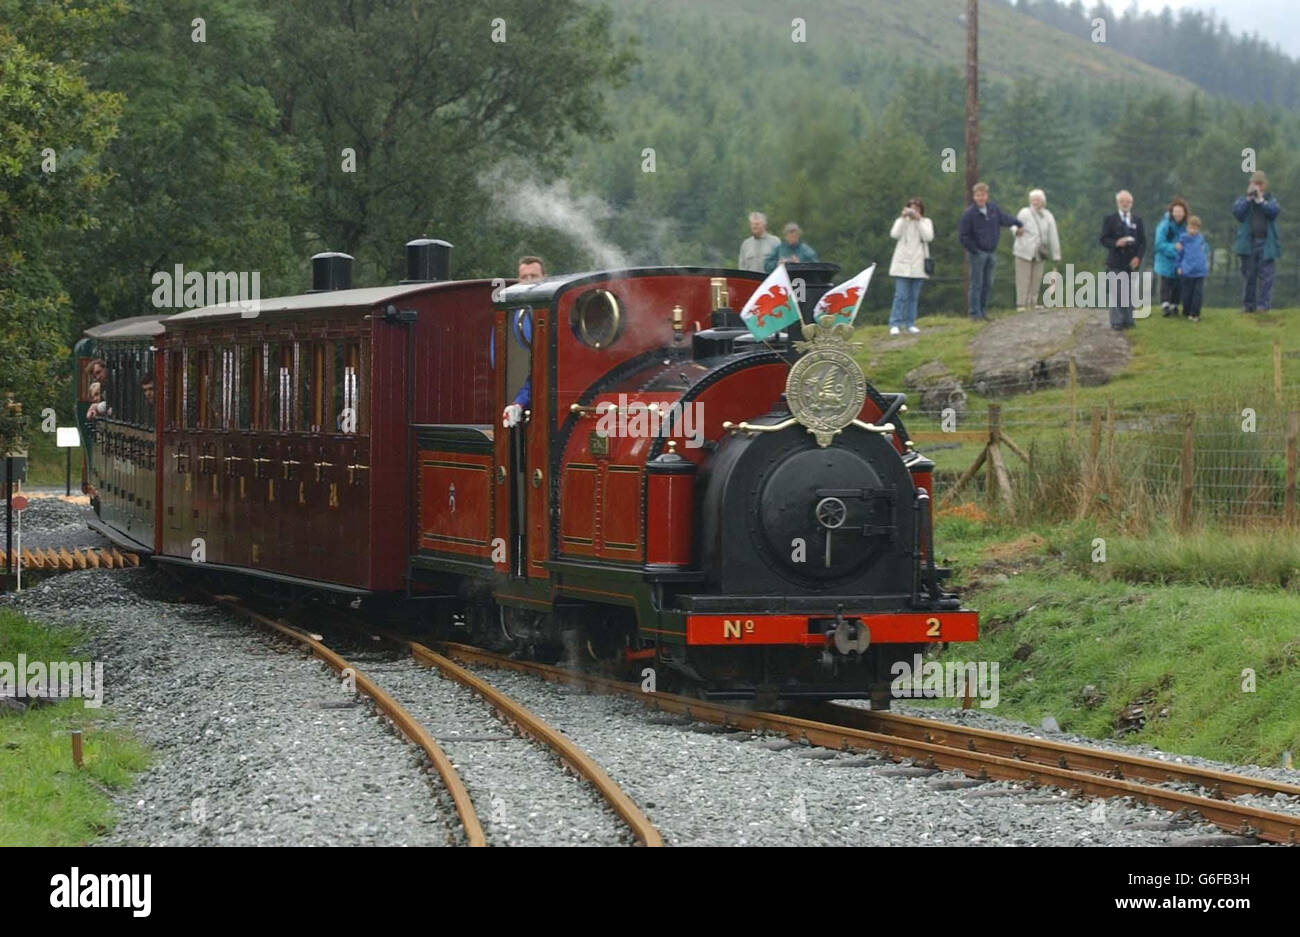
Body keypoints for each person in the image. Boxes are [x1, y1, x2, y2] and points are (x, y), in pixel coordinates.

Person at [957, 182, 1025, 321]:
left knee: (988, 283)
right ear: (974, 197)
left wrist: (1018, 223)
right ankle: (974, 313)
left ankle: (983, 311)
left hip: (991, 252)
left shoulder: (993, 209)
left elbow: (1004, 219)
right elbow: (963, 236)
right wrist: (974, 250)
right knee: (976, 284)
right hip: (978, 253)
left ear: (987, 196)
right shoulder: (969, 214)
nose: (980, 198)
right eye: (978, 195)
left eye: (983, 195)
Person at [501, 256, 546, 428]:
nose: (528, 282)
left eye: (534, 276)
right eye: (524, 277)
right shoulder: (510, 316)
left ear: (544, 277)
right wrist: (517, 403)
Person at [1232, 171, 1281, 313]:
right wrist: (1249, 199)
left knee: (1266, 276)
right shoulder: (1243, 201)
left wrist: (1260, 200)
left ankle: (1263, 305)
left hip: (1266, 243)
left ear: (1264, 185)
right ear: (1250, 184)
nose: (1256, 187)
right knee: (1249, 274)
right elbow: (1237, 213)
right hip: (1248, 243)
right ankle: (1248, 305)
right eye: (1254, 184)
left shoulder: (1270, 200)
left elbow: (1274, 212)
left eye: (1259, 184)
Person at [1099, 190, 1146, 331]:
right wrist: (1116, 243)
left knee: (1129, 291)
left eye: (1128, 202)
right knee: (1116, 291)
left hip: (1132, 261)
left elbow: (1143, 242)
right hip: (1115, 260)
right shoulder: (1110, 219)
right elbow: (1103, 239)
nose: (1125, 204)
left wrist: (1138, 257)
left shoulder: (1137, 220)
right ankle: (1116, 321)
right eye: (1122, 201)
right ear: (1117, 203)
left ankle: (1129, 320)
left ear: (1132, 203)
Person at [887, 197, 933, 335]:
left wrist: (918, 220)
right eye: (911, 208)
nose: (914, 211)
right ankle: (895, 323)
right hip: (902, 265)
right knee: (900, 296)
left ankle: (910, 323)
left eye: (917, 208)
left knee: (913, 297)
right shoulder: (901, 222)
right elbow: (894, 234)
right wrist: (903, 219)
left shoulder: (926, 222)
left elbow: (928, 237)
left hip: (918, 264)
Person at [1012, 189, 1061, 312]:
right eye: (1033, 199)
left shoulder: (1048, 215)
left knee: (1036, 278)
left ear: (1043, 201)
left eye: (1037, 199)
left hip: (1039, 252)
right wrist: (1016, 231)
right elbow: (1014, 225)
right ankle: (1021, 304)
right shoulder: (1024, 213)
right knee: (1023, 278)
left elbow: (1053, 235)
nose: (1035, 202)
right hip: (1023, 250)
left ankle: (1033, 303)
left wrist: (1056, 254)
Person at [1153, 197, 1189, 317]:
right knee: (1166, 283)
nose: (1178, 214)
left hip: (1180, 260)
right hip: (1165, 259)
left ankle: (1174, 305)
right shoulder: (1165, 225)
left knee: (1178, 283)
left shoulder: (1187, 226)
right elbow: (1159, 243)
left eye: (1180, 211)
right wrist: (1174, 249)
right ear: (1172, 212)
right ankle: (1165, 305)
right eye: (1176, 211)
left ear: (1184, 213)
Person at [1176, 215, 1209, 323]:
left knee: (1197, 293)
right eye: (1191, 227)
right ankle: (1186, 311)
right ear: (1187, 227)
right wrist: (1179, 267)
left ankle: (1195, 313)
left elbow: (1205, 252)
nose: (1193, 230)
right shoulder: (1183, 240)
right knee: (1187, 293)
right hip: (1187, 271)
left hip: (1199, 271)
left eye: (1195, 228)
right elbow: (1179, 255)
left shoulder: (1201, 239)